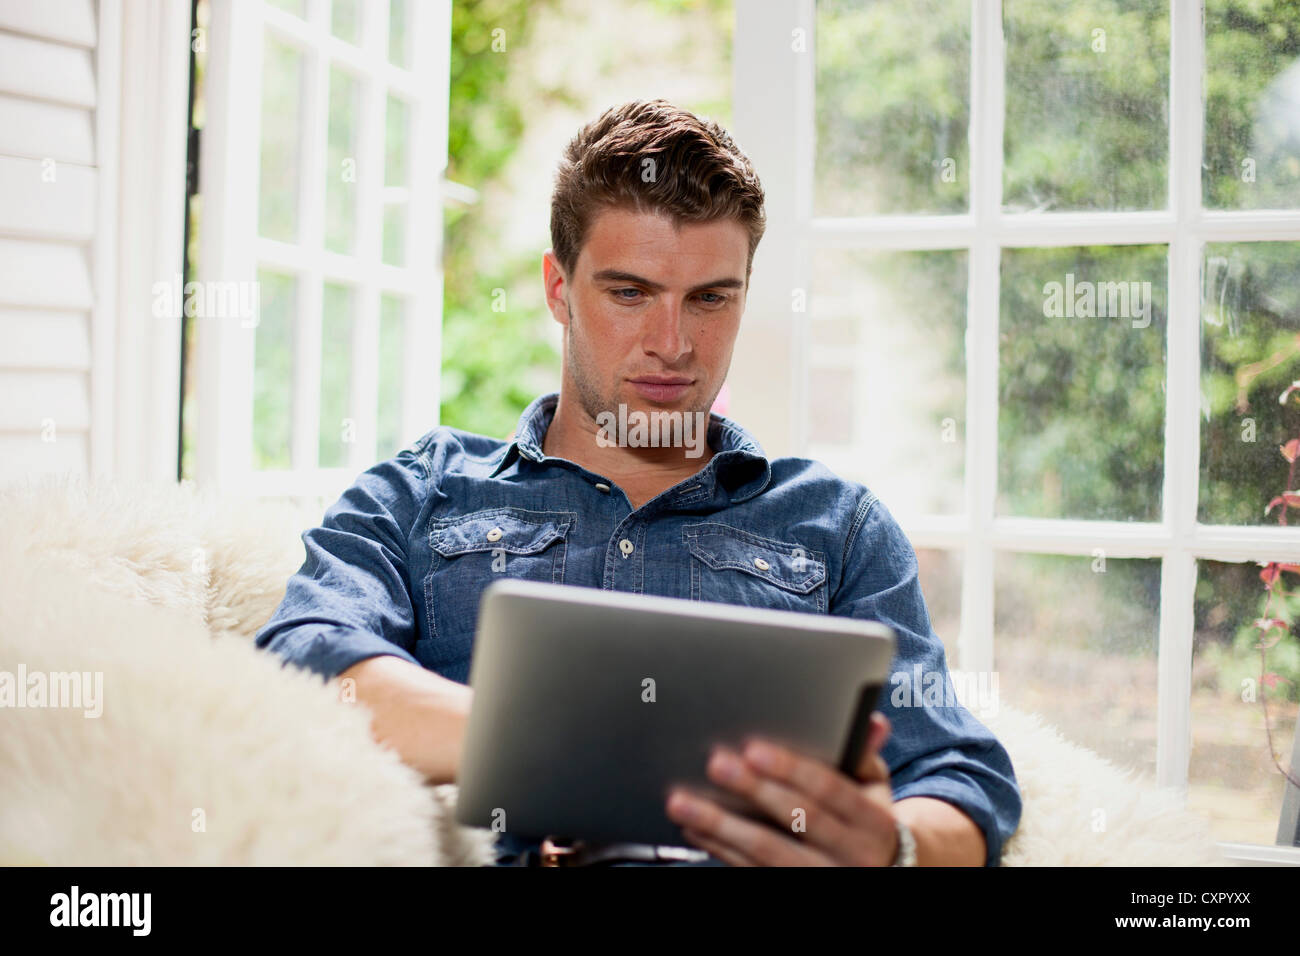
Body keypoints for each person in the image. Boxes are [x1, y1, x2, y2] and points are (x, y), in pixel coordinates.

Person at [254, 98, 1021, 867]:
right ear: (559, 290)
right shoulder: (423, 494)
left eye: (710, 298)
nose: (673, 344)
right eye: (629, 293)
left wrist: (895, 846)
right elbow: (307, 661)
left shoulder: (838, 526)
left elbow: (962, 778)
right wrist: (566, 744)